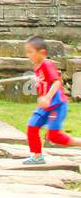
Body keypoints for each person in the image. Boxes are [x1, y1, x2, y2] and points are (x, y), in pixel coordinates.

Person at [23, 35, 74, 165]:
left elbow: (57, 82)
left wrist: (47, 97)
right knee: (32, 126)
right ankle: (37, 156)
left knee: (55, 137)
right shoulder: (37, 67)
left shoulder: (47, 64)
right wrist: (41, 97)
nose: (28, 55)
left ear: (42, 52)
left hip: (57, 105)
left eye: (30, 52)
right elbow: (44, 85)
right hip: (46, 106)